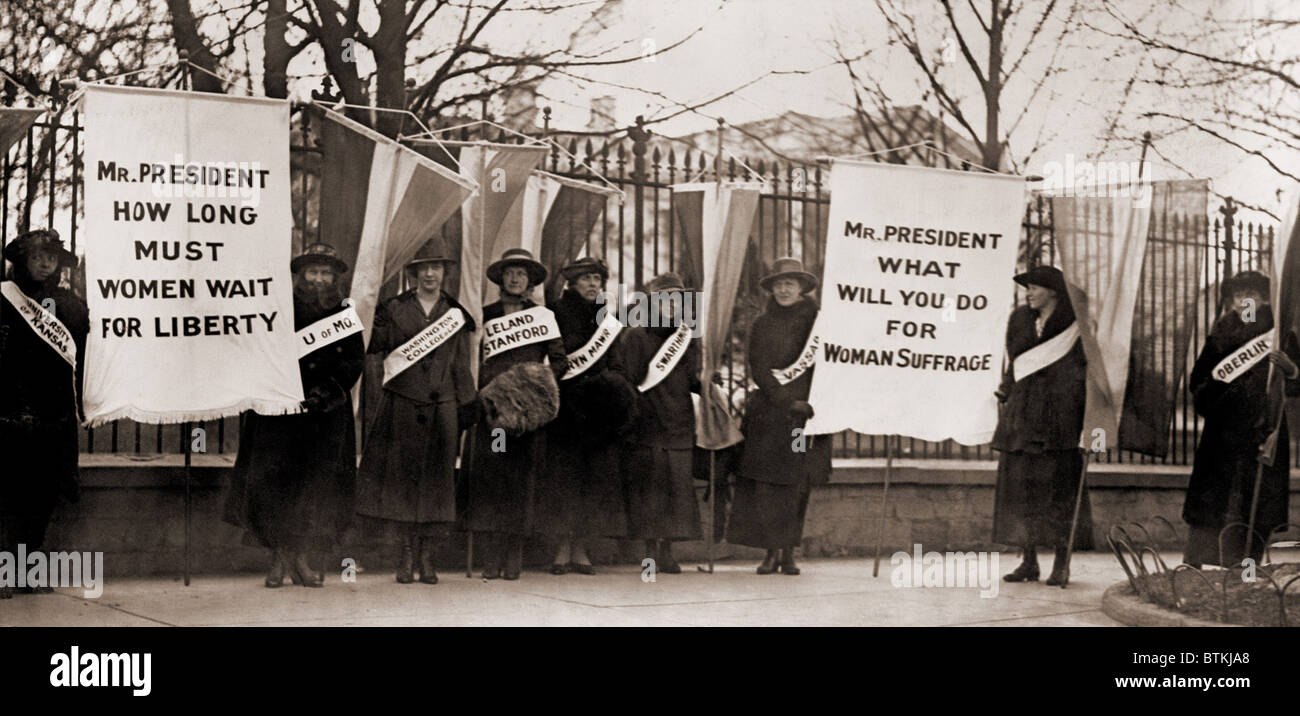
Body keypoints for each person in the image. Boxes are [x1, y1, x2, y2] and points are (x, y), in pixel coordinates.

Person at [222, 243, 364, 588]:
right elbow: (260, 350)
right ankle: (278, 559)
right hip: (281, 411)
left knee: (315, 487)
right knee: (276, 484)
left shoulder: (344, 312)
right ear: (300, 275)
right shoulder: (279, 308)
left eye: (325, 273)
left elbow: (354, 359)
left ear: (334, 277)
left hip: (325, 412)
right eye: (312, 272)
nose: (318, 279)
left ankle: (299, 557)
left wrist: (327, 390)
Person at [356, 240, 477, 585]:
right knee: (404, 482)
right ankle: (405, 555)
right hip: (403, 402)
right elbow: (372, 344)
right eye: (422, 267)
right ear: (413, 273)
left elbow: (461, 365)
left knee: (438, 484)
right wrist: (364, 309)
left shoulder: (455, 314)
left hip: (443, 407)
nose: (429, 273)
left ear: (444, 273)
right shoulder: (393, 309)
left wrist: (467, 406)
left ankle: (427, 557)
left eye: (435, 267)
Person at [1182, 270, 1297, 568]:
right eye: (1236, 296)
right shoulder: (1220, 333)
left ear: (1264, 300)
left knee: (1254, 503)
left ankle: (1245, 569)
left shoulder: (1280, 333)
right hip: (1222, 431)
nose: (1242, 302)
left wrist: (1292, 370)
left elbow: (1297, 385)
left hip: (1263, 429)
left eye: (1251, 295)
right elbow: (1198, 380)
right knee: (1212, 500)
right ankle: (1196, 565)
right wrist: (1216, 395)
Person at [465, 248, 566, 580]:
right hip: (495, 418)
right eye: (510, 273)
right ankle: (490, 557)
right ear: (501, 279)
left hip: (527, 419)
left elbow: (559, 362)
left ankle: (514, 554)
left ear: (530, 282)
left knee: (520, 481)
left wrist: (531, 387)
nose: (515, 278)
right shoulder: (485, 316)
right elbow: (472, 360)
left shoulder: (544, 317)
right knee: (494, 476)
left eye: (521, 274)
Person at [991, 265, 1093, 587]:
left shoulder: (1075, 323)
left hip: (1059, 419)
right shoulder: (1019, 320)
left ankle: (1061, 564)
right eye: (1027, 288)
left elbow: (1086, 370)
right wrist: (1007, 388)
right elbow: (1015, 361)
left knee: (1059, 491)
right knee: (1021, 491)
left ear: (1053, 291)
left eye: (1035, 287)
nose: (1029, 293)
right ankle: (1028, 562)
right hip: (1023, 418)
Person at [728, 257, 831, 575]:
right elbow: (757, 366)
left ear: (802, 288)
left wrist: (812, 403)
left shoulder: (820, 323)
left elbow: (828, 366)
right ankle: (771, 552)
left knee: (796, 485)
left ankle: (789, 552)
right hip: (770, 417)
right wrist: (785, 400)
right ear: (772, 288)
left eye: (790, 283)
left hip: (805, 422)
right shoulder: (762, 323)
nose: (784, 289)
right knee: (767, 486)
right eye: (778, 284)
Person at [0, 229, 88, 599]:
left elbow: (83, 353)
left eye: (52, 257)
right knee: (8, 495)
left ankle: (29, 571)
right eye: (38, 256)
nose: (46, 262)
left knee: (43, 496)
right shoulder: (4, 298)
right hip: (10, 412)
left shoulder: (69, 304)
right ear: (22, 260)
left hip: (54, 415)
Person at [539, 257, 634, 574]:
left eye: (597, 279)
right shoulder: (555, 312)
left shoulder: (608, 317)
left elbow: (617, 362)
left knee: (592, 482)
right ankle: (561, 550)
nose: (593, 285)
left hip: (598, 411)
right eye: (586, 279)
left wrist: (613, 383)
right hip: (566, 408)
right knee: (563, 480)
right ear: (572, 284)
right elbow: (551, 357)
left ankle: (580, 549)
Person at [621, 272, 703, 573]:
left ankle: (667, 551)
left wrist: (708, 385)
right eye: (665, 299)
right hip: (648, 424)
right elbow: (628, 382)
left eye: (677, 299)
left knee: (677, 492)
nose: (671, 304)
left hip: (679, 421)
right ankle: (649, 553)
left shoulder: (686, 337)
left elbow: (691, 379)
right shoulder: (635, 336)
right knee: (650, 493)